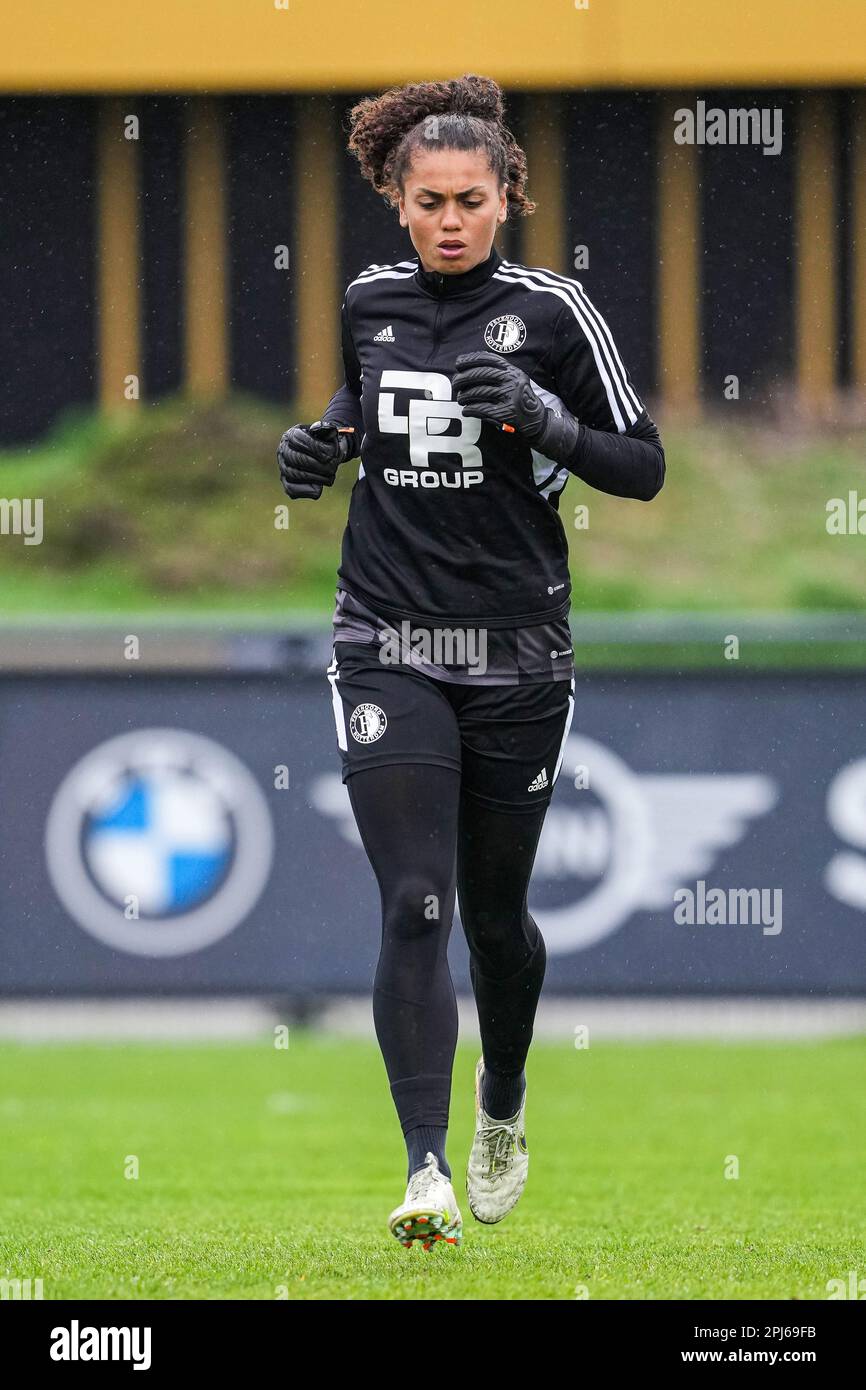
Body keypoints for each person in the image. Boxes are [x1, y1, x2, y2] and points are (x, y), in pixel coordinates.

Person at [277, 73, 665, 1250]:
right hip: (387, 635)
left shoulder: (554, 313)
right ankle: (425, 1168)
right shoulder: (367, 296)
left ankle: (502, 1100)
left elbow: (641, 466)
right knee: (413, 902)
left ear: (506, 202)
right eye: (429, 199)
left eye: (471, 199)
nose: (450, 218)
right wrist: (322, 444)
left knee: (494, 919)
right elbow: (364, 396)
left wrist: (545, 421)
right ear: (398, 202)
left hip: (515, 648)